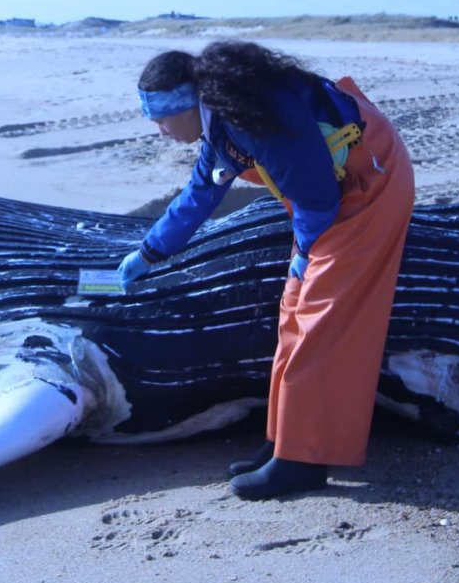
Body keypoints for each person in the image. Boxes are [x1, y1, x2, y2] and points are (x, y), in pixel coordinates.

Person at [116, 41, 414, 500]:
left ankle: (304, 461)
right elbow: (200, 195)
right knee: (291, 313)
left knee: (319, 323)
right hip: (327, 199)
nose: (159, 130)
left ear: (189, 104)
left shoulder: (252, 116)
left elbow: (318, 199)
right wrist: (150, 252)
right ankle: (284, 443)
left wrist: (305, 254)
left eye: (160, 117)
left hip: (368, 188)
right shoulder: (222, 121)